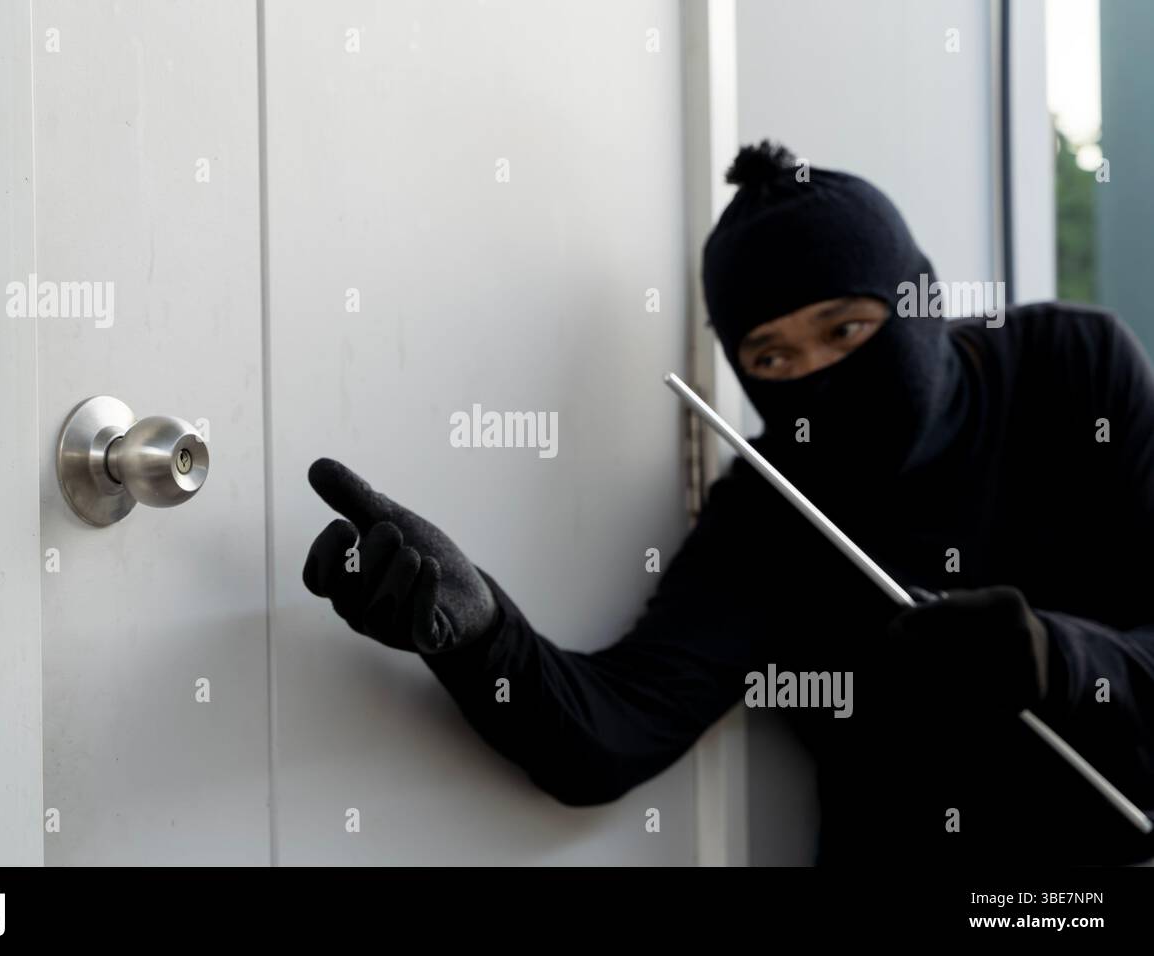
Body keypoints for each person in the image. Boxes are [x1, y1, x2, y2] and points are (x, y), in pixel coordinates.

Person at [302, 141, 1154, 864]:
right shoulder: (772, 506)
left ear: (919, 296)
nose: (817, 372)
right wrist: (480, 634)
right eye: (773, 358)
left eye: (846, 328)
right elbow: (616, 732)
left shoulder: (1074, 373)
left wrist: (1059, 660)